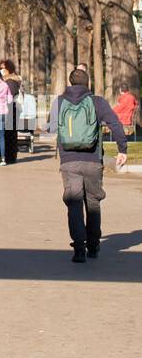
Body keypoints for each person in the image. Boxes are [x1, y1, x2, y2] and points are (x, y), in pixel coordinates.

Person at [49, 68, 127, 262]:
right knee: (93, 202)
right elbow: (115, 124)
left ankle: (78, 249)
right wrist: (122, 149)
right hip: (93, 160)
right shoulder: (97, 102)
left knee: (74, 203)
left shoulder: (59, 101)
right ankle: (93, 245)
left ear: (70, 82)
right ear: (88, 83)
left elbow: (50, 126)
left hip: (69, 161)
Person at [0, 58, 22, 164]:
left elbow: (11, 94)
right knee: (9, 133)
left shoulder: (11, 81)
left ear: (8, 68)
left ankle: (10, 157)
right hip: (9, 108)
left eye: (3, 68)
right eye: (1, 68)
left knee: (10, 134)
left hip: (11, 108)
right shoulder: (6, 80)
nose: (2, 70)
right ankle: (9, 156)